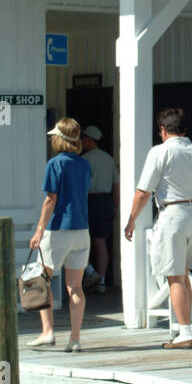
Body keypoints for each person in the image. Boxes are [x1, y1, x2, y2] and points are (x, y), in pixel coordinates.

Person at [124, 106, 192, 350]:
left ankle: (184, 332)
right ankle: (183, 328)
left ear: (163, 130)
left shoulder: (159, 152)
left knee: (174, 275)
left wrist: (131, 220)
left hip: (173, 213)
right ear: (184, 128)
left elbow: (143, 191)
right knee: (184, 274)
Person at [28, 117, 92, 352]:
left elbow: (50, 200)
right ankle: (75, 339)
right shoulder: (84, 165)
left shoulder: (55, 164)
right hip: (81, 230)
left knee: (40, 281)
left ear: (60, 138)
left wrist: (38, 230)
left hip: (57, 231)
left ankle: (48, 332)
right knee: (75, 287)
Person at [80, 125, 120, 294]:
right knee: (101, 242)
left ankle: (91, 272)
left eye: (83, 139)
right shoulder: (109, 159)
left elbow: (81, 185)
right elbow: (116, 185)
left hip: (89, 201)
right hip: (106, 202)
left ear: (90, 140)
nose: (81, 142)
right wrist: (116, 206)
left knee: (83, 240)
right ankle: (102, 281)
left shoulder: (85, 160)